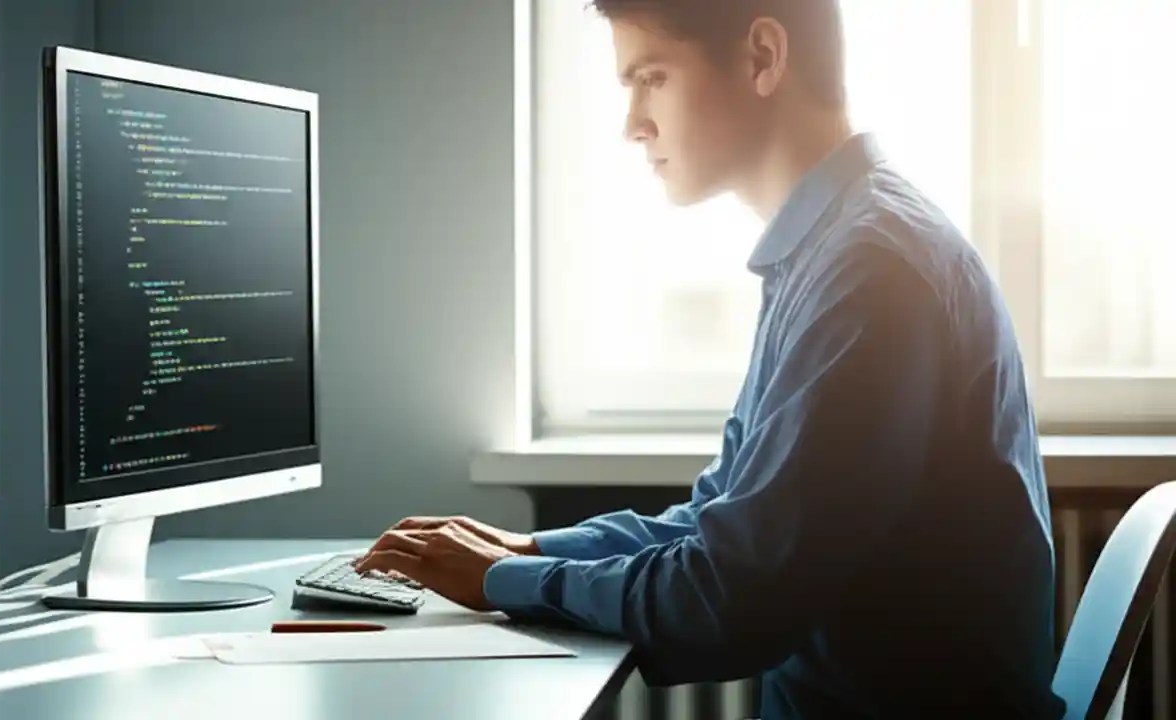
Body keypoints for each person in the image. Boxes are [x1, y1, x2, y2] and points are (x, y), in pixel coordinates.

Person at [355, 1, 1064, 716]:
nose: (633, 122)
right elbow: (723, 516)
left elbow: (730, 600)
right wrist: (533, 550)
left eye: (651, 78)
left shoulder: (869, 273)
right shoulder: (832, 248)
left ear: (763, 57)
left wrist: (506, 578)